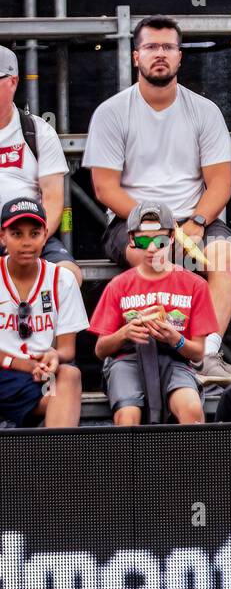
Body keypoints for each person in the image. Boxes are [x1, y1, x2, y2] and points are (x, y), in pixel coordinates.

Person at [84, 16, 231, 387]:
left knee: (227, 256)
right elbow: (105, 188)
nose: (160, 55)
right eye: (152, 47)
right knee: (150, 252)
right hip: (132, 219)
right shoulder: (111, 112)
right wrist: (159, 229)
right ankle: (157, 355)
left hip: (195, 217)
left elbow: (220, 184)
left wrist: (197, 223)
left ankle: (207, 356)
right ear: (136, 55)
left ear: (180, 57)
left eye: (168, 47)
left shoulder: (204, 111)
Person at [89, 205, 218, 426]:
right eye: (142, 241)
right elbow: (100, 350)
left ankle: (194, 460)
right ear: (131, 240)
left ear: (171, 237)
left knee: (191, 409)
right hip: (126, 360)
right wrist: (125, 333)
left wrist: (174, 338)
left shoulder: (195, 285)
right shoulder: (118, 285)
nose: (151, 249)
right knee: (127, 415)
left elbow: (197, 353)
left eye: (159, 241)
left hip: (176, 360)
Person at [0, 198, 85, 428]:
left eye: (34, 233)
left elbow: (67, 348)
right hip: (5, 369)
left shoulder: (62, 279)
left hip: (39, 376)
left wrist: (53, 357)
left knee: (70, 375)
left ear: (45, 235)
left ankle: (54, 460)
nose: (26, 242)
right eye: (17, 234)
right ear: (2, 237)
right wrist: (21, 363)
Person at [0, 45, 81, 285]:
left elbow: (54, 201)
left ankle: (47, 324)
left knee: (68, 275)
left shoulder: (37, 131)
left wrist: (33, 240)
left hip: (27, 231)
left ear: (13, 82)